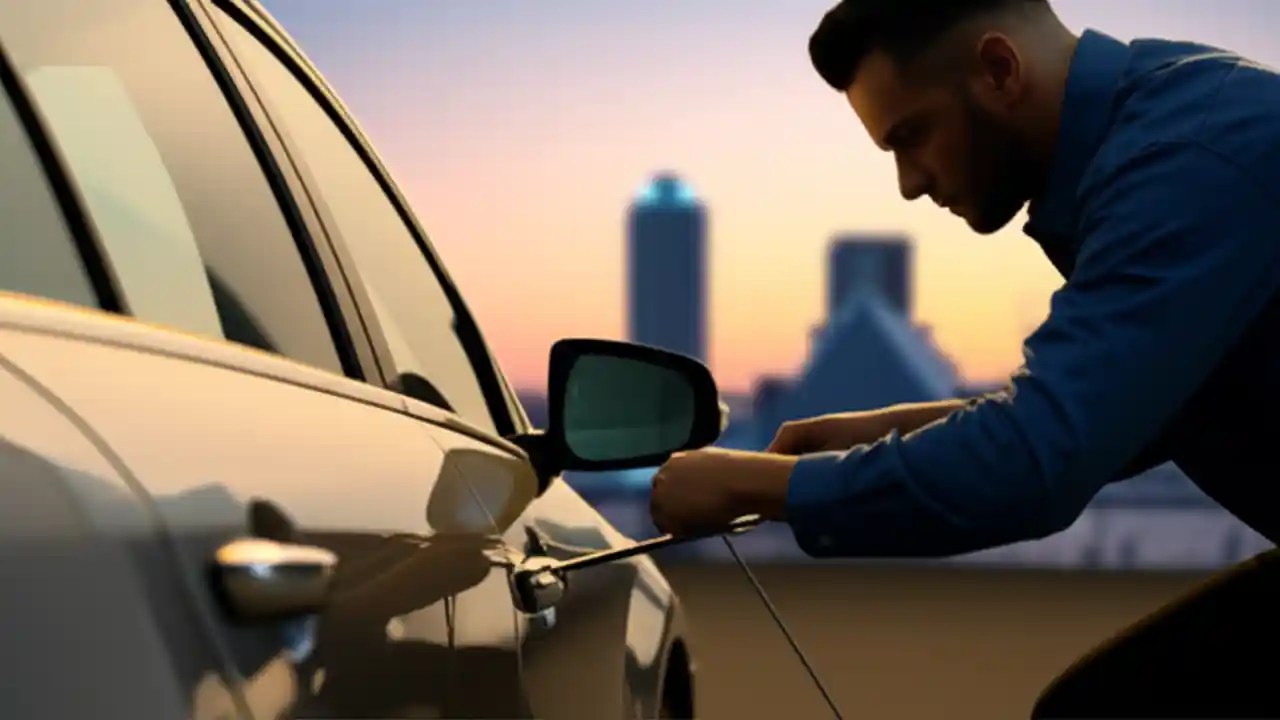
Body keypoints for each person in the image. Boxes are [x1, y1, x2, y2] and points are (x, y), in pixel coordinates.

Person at [648, 0, 1280, 556]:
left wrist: (744, 484)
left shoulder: (1183, 166)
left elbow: (1035, 465)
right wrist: (875, 436)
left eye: (912, 136)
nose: (910, 183)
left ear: (1000, 69)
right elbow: (1122, 410)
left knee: (1106, 700)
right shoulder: (1162, 128)